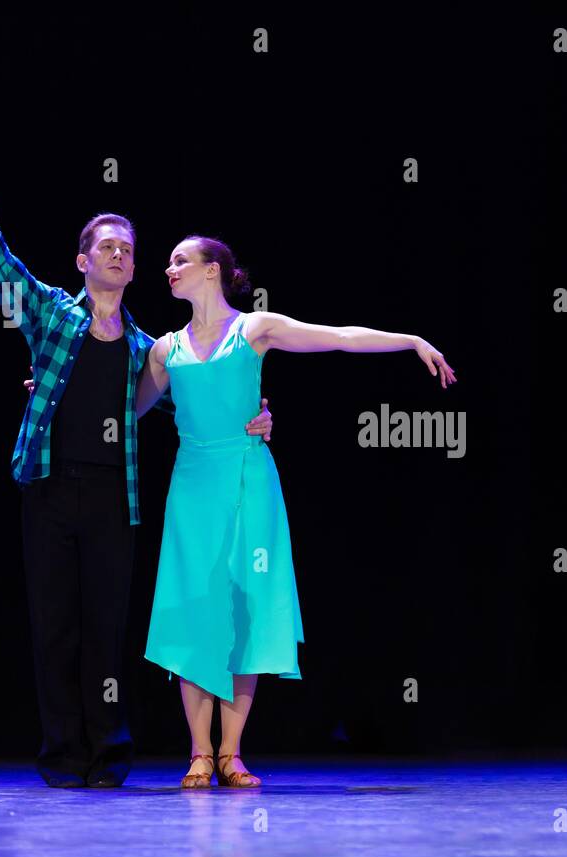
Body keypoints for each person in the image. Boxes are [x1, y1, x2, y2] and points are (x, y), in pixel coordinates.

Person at [0, 125, 275, 788]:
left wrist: (259, 419)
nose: (121, 255)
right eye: (108, 247)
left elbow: (208, 398)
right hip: (50, 490)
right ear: (83, 261)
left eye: (128, 248)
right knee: (54, 628)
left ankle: (108, 754)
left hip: (111, 497)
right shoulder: (52, 316)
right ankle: (63, 754)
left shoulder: (151, 348)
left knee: (106, 631)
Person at [135, 233, 457, 788]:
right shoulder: (166, 349)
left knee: (245, 610)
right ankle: (198, 753)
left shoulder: (253, 329)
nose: (169, 269)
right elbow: (124, 407)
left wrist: (409, 339)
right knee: (194, 610)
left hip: (249, 478)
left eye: (180, 261)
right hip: (193, 486)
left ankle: (230, 754)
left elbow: (337, 337)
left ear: (212, 271)